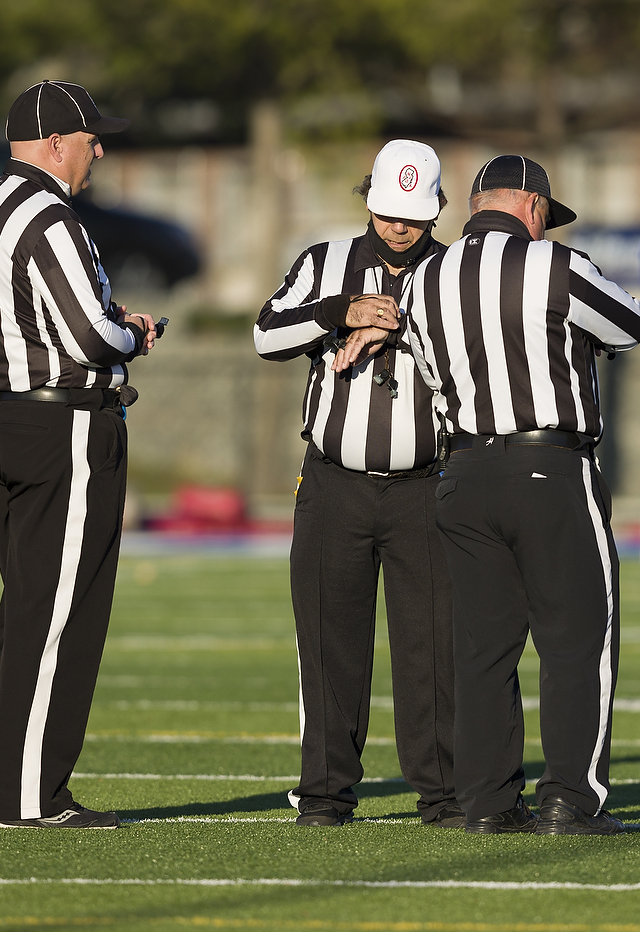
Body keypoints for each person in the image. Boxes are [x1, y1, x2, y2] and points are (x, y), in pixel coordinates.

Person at [337, 155, 640, 835]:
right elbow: (631, 326)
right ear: (533, 207)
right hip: (550, 466)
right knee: (575, 640)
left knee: (480, 650)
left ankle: (485, 803)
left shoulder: (422, 280)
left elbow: (425, 360)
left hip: (463, 474)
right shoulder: (558, 266)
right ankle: (568, 798)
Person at [0, 81, 157, 829]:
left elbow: (22, 318)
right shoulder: (51, 215)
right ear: (58, 142)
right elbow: (92, 338)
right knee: (60, 613)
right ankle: (30, 796)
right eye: (92, 137)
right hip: (58, 427)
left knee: (25, 611)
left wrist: (105, 323)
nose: (99, 149)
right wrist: (132, 333)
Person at [253, 139, 461, 828]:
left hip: (425, 484)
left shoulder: (456, 270)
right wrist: (338, 312)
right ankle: (325, 792)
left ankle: (442, 791)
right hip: (333, 481)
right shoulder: (325, 263)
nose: (398, 227)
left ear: (435, 209)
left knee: (431, 646)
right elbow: (266, 335)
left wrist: (400, 326)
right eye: (386, 211)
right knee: (328, 642)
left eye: (411, 215)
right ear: (368, 198)